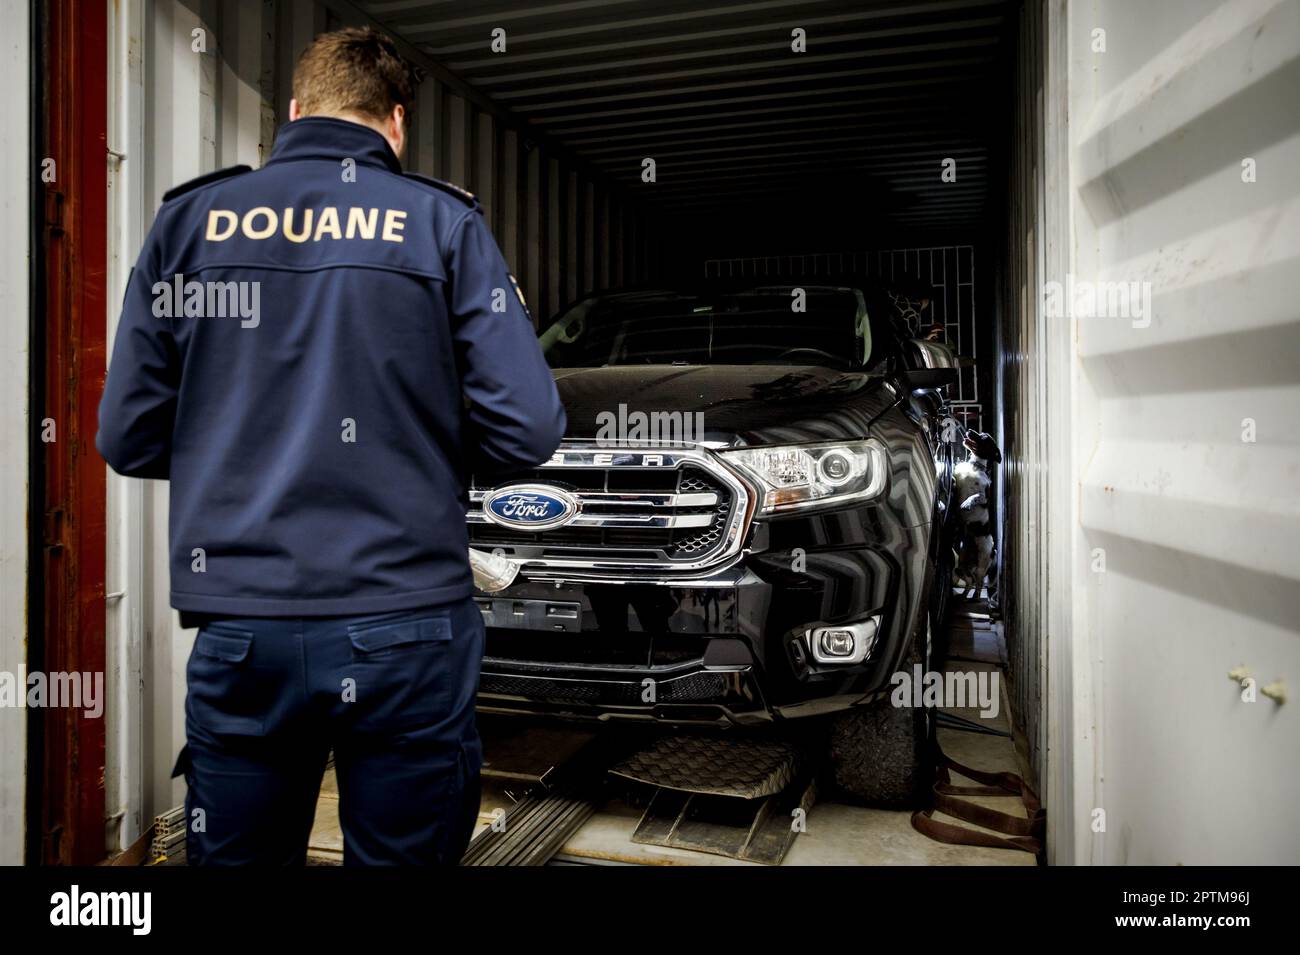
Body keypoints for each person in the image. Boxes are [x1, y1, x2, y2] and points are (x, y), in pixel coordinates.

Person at [96, 26, 565, 865]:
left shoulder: (190, 223)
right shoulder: (442, 226)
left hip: (246, 631)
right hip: (407, 626)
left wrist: (236, 444)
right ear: (396, 123)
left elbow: (128, 437)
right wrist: (422, 446)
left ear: (293, 110)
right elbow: (527, 429)